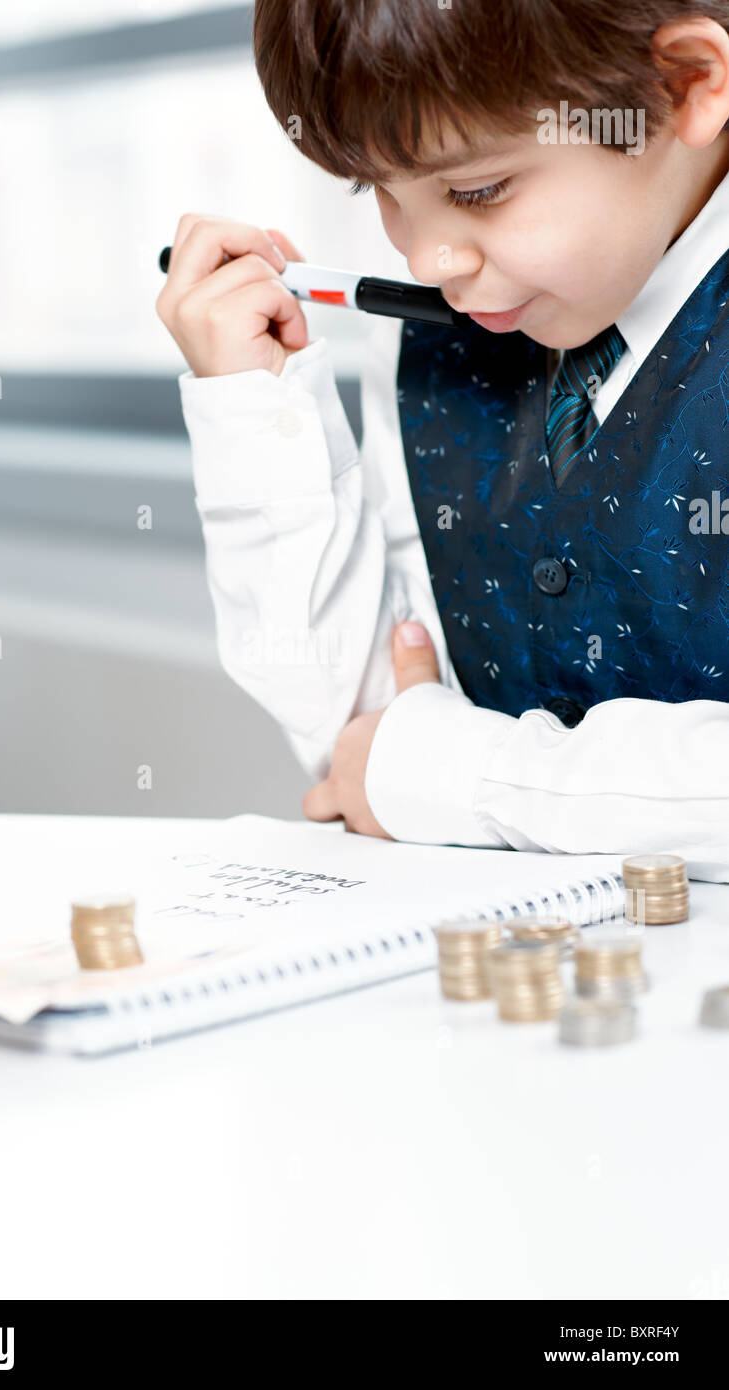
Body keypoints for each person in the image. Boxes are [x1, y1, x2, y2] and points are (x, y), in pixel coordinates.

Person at [157, 1, 729, 880]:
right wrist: (254, 408)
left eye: (477, 191)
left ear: (688, 82)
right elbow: (367, 742)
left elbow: (420, 768)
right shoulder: (439, 331)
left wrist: (466, 776)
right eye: (380, 191)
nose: (428, 262)